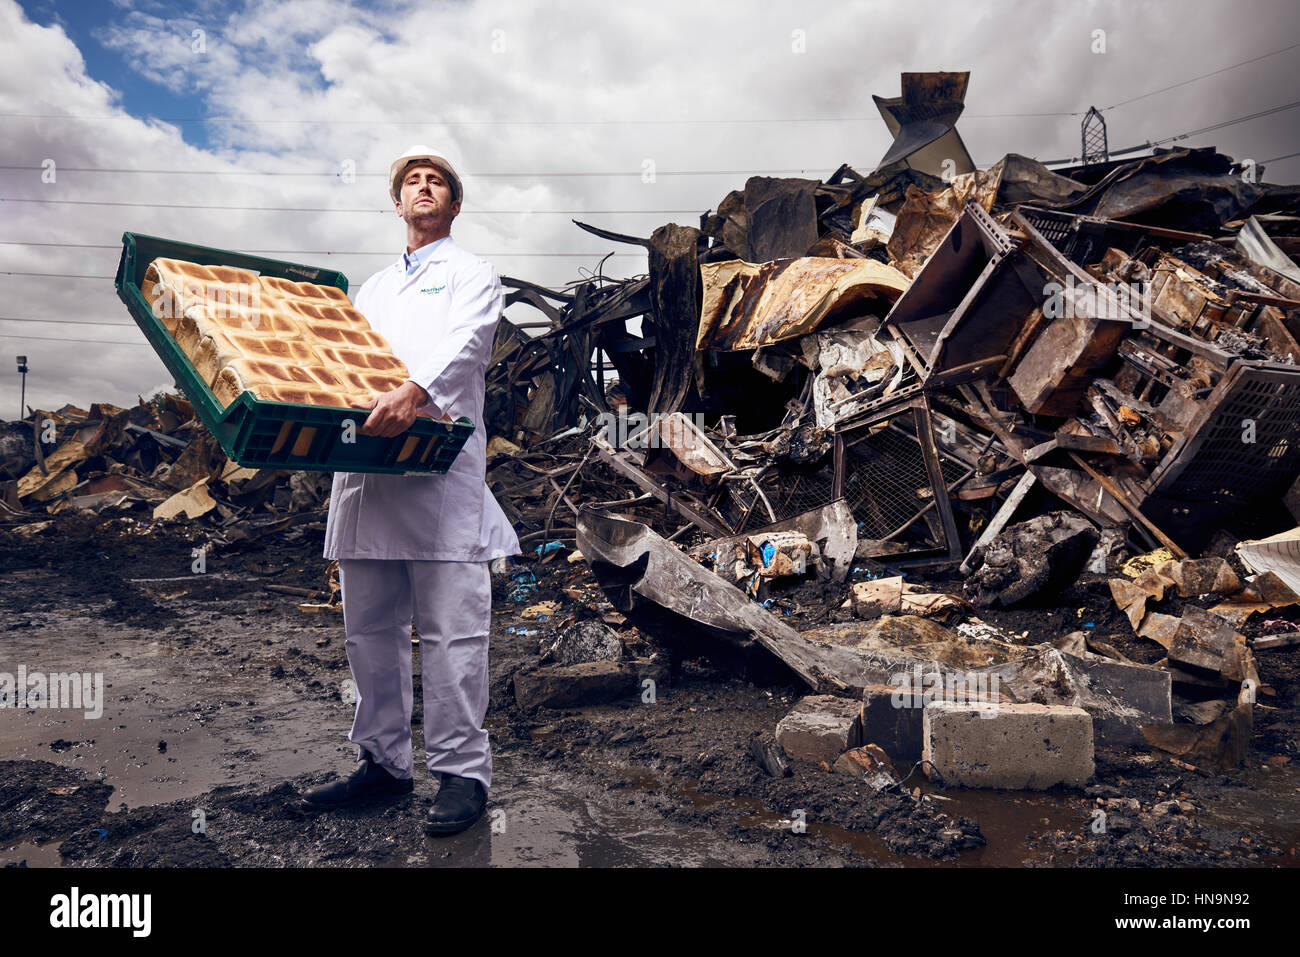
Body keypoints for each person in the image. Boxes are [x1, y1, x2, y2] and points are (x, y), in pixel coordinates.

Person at [303, 146, 521, 836]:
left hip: (437, 475)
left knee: (453, 634)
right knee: (369, 632)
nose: (422, 189)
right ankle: (384, 762)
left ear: (453, 206)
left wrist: (415, 390)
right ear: (398, 204)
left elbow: (468, 345)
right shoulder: (366, 289)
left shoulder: (472, 274)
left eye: (436, 183)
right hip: (366, 479)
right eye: (411, 183)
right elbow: (338, 361)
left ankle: (462, 773)